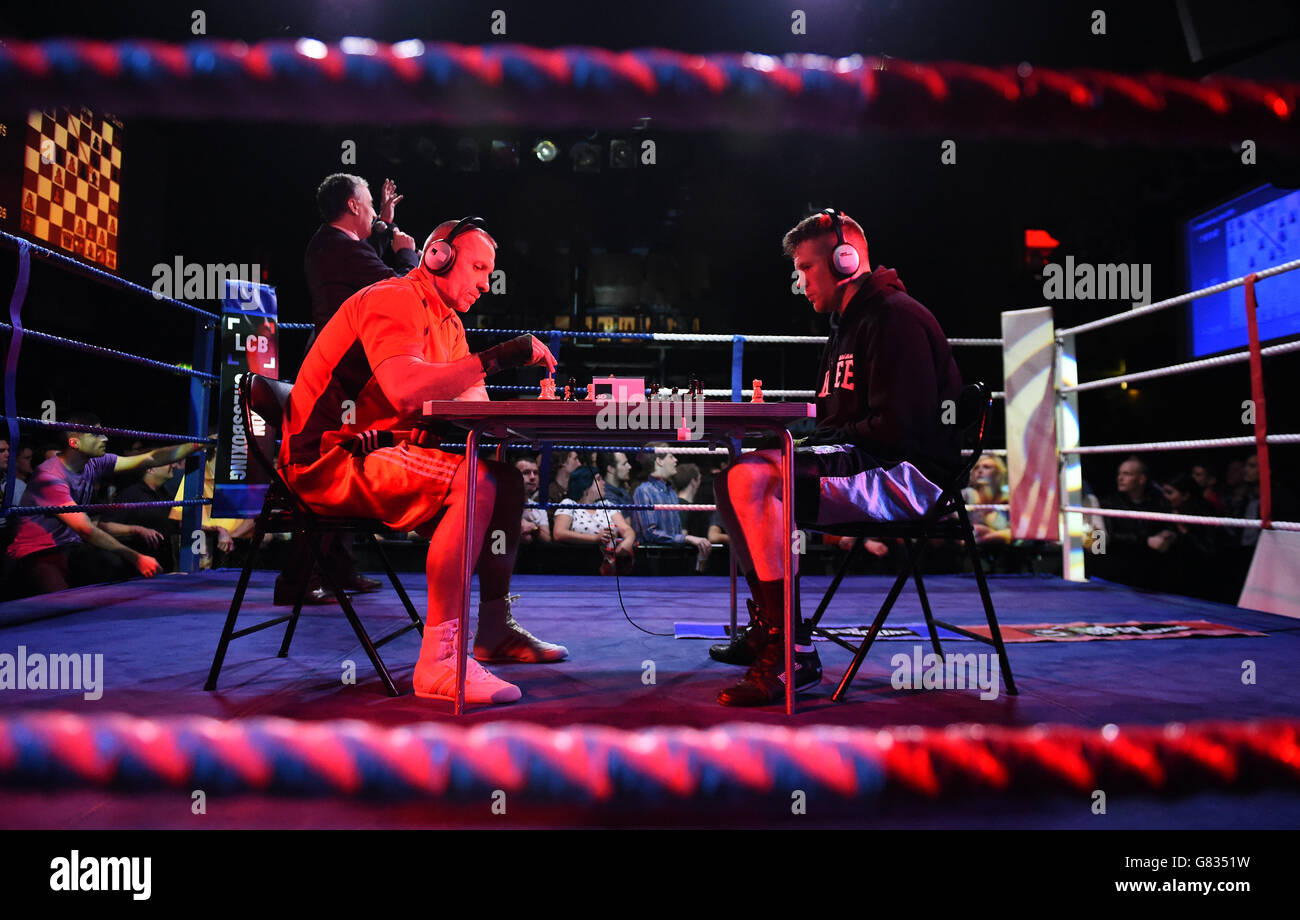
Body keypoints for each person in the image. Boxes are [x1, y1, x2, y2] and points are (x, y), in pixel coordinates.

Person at [279, 216, 565, 705]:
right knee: (476, 482)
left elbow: (473, 405)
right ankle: (439, 660)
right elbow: (406, 392)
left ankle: (494, 630)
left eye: (489, 272)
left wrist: (535, 409)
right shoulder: (394, 299)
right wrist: (499, 356)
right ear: (438, 256)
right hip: (329, 460)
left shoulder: (448, 322)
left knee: (507, 482)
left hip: (379, 453)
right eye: (477, 267)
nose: (485, 282)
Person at [710, 209, 963, 706]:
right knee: (733, 478)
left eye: (806, 267)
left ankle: (791, 651)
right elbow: (839, 425)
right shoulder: (846, 325)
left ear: (846, 260)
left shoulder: (895, 317)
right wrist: (798, 441)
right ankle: (773, 631)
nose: (798, 279)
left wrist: (806, 445)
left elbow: (898, 430)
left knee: (751, 480)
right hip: (875, 458)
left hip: (910, 477)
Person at [276, 174, 419, 607]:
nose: (376, 211)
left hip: (341, 375)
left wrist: (388, 222)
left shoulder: (336, 245)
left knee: (345, 465)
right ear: (354, 206)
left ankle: (337, 568)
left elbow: (365, 263)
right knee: (324, 471)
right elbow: (402, 291)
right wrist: (408, 252)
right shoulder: (335, 247)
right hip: (330, 377)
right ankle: (297, 581)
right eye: (371, 204)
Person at [6, 414, 204, 596]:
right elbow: (86, 529)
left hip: (69, 548)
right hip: (36, 553)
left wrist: (197, 445)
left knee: (113, 567)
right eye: (96, 434)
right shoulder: (50, 477)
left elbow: (149, 458)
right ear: (74, 442)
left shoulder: (94, 463)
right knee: (62, 606)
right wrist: (136, 557)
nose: (105, 439)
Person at [1094, 456, 1172, 590]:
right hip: (1118, 568)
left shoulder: (1157, 502)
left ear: (1141, 479)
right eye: (1119, 474)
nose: (1120, 478)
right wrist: (1145, 541)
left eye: (1127, 474)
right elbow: (1103, 541)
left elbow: (1168, 525)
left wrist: (1168, 534)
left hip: (1149, 568)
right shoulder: (1108, 503)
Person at [632, 444, 713, 561]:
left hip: (672, 558)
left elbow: (675, 531)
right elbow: (650, 533)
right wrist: (687, 538)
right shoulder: (643, 491)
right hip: (653, 562)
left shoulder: (671, 492)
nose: (676, 460)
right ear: (659, 461)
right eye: (671, 456)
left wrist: (685, 539)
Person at [552, 465, 636, 574]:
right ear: (586, 484)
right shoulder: (569, 504)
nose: (604, 483)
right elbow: (559, 533)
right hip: (577, 563)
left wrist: (627, 542)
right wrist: (595, 538)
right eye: (598, 479)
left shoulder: (607, 505)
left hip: (608, 565)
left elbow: (626, 529)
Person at [103, 460, 183, 571]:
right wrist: (137, 529)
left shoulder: (165, 495)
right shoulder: (131, 494)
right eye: (167, 462)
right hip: (136, 570)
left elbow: (175, 525)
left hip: (163, 567)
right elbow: (104, 525)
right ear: (150, 469)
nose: (173, 465)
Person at [963, 452, 1011, 544]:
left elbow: (1017, 532)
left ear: (998, 473)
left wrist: (988, 536)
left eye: (986, 467)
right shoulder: (966, 495)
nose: (980, 471)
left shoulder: (1008, 498)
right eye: (976, 467)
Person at [514, 455, 551, 544]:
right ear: (514, 475)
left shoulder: (539, 507)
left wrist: (533, 528)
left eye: (535, 472)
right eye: (526, 472)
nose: (532, 477)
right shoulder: (502, 503)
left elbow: (547, 539)